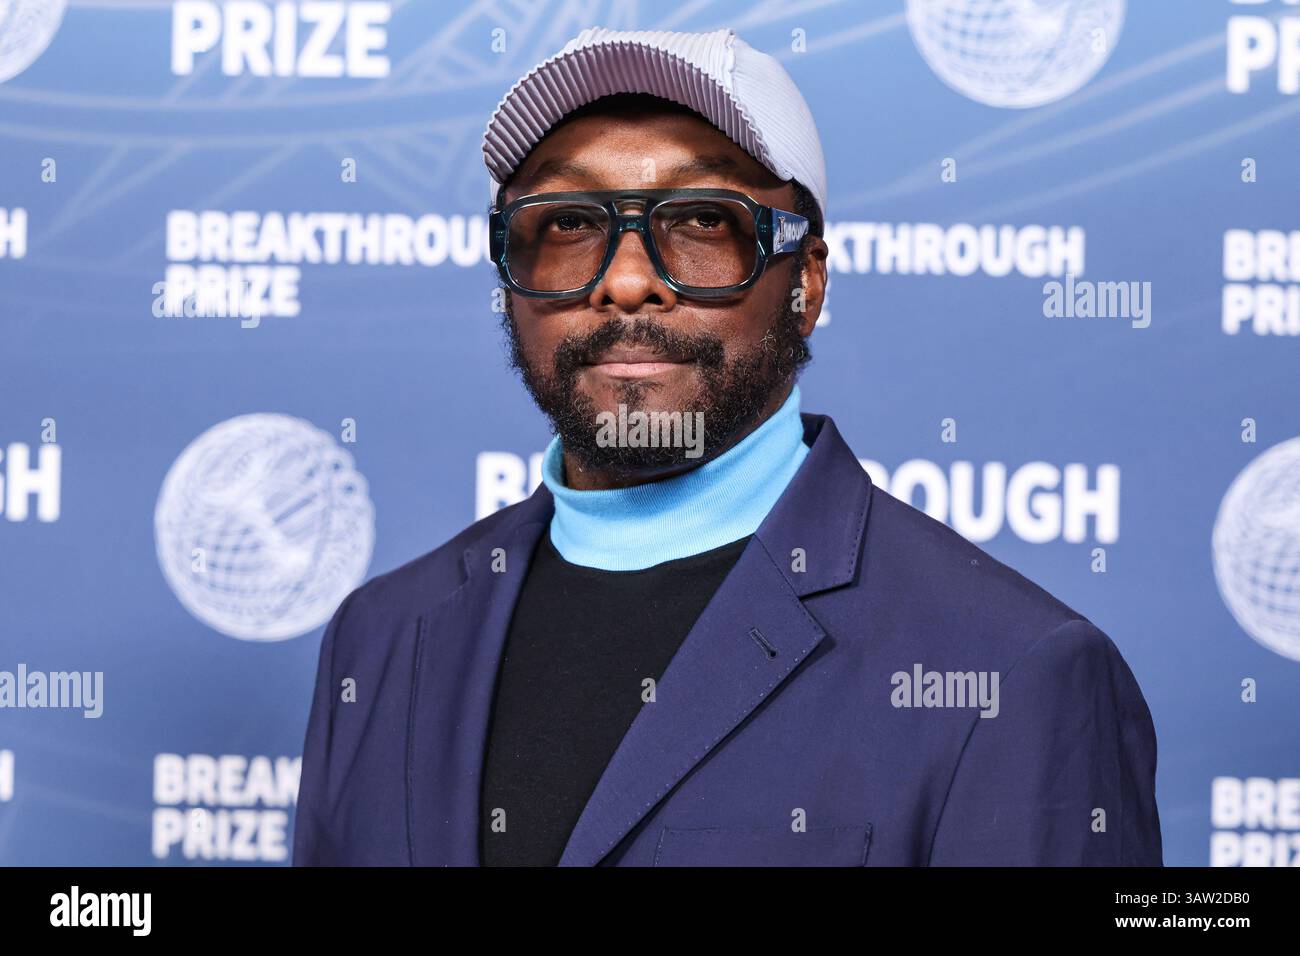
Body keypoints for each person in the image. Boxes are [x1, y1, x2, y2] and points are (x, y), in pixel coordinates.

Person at [293, 26, 1162, 867]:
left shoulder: (1011, 673)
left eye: (703, 220)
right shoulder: (378, 641)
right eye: (566, 224)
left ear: (806, 282)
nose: (626, 278)